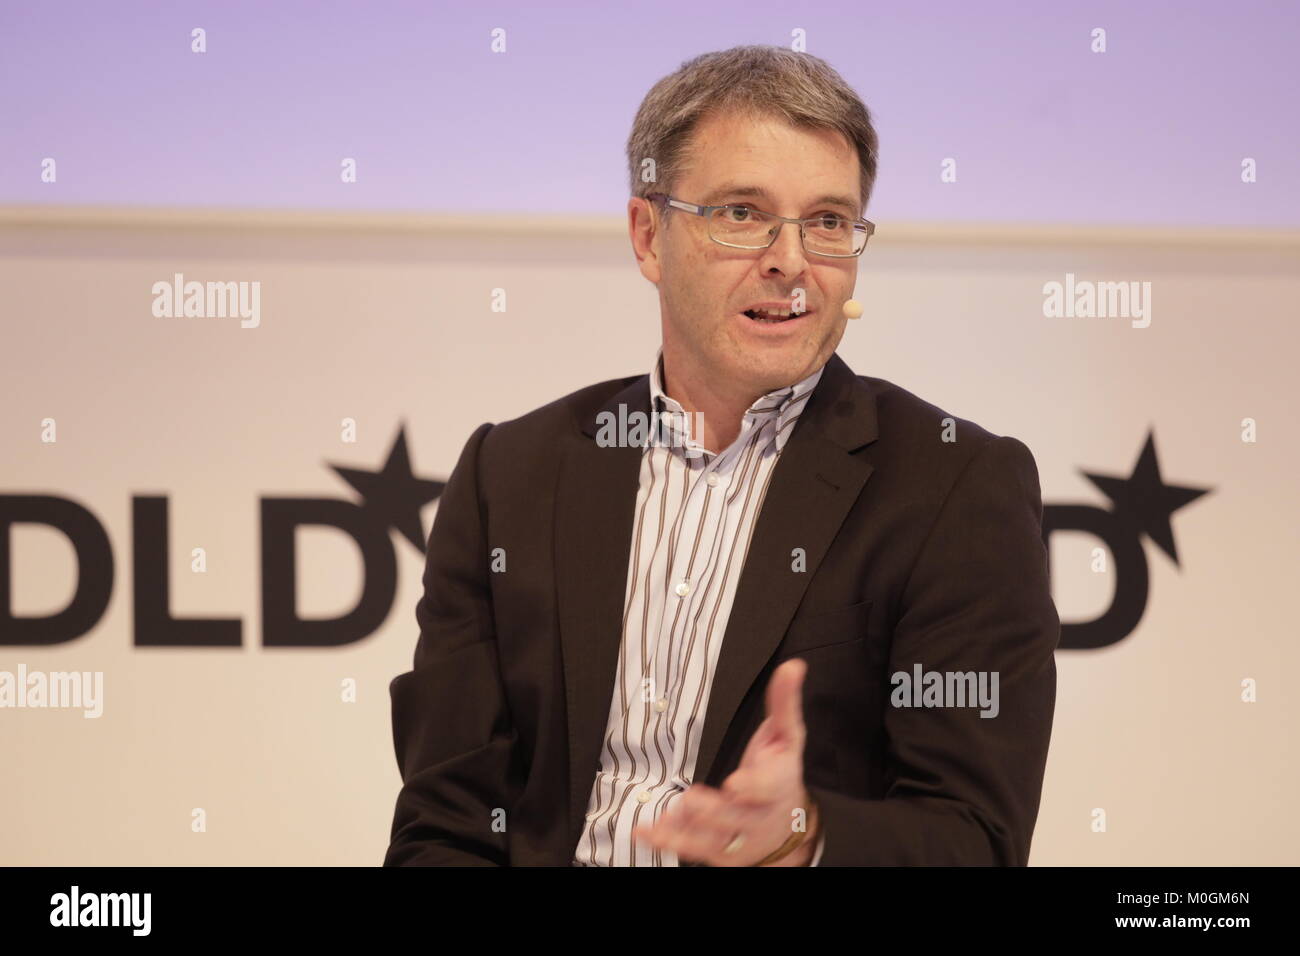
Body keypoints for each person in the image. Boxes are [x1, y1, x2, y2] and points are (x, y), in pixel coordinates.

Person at [383, 45, 1058, 867]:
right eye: (742, 213)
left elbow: (975, 840)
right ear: (648, 236)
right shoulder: (511, 476)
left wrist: (801, 837)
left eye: (828, 222)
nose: (790, 260)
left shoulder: (955, 487)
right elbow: (445, 822)